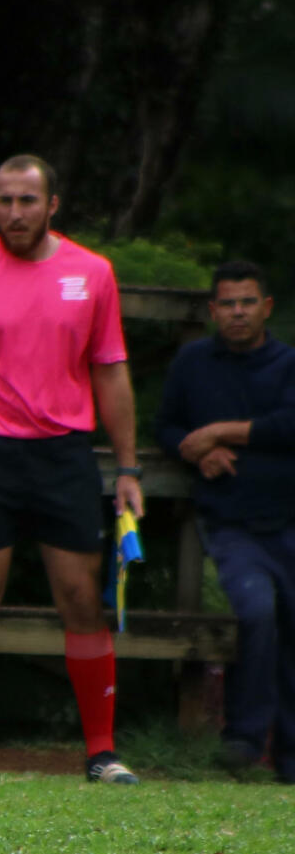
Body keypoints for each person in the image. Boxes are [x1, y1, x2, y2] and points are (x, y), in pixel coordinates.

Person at [0, 154, 143, 784]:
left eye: (26, 200)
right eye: (3, 201)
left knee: (81, 598)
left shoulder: (92, 273)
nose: (14, 213)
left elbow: (111, 369)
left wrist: (128, 466)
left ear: (53, 204)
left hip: (66, 452)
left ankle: (101, 751)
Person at [155, 260, 295, 781]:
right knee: (257, 611)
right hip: (231, 522)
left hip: (289, 518)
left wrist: (220, 432)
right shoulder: (193, 363)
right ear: (214, 311)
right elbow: (167, 426)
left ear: (266, 307)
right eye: (228, 304)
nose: (238, 312)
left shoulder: (287, 364)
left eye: (248, 302)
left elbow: (289, 424)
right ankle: (242, 739)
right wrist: (197, 453)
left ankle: (289, 759)